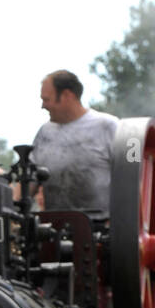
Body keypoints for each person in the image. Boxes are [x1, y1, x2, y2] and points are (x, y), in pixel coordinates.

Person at [30, 70, 119, 214]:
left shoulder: (109, 126)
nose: (43, 106)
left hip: (103, 229)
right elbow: (28, 182)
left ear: (66, 96)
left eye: (46, 99)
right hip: (55, 230)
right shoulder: (44, 133)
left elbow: (133, 169)